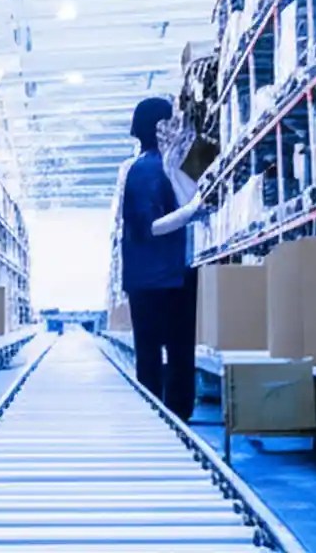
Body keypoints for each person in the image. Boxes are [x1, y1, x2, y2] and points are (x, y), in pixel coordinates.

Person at [118, 97, 202, 420]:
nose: (177, 126)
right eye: (172, 121)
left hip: (167, 275)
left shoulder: (173, 162)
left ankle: (169, 418)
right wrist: (193, 211)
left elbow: (205, 176)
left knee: (169, 355)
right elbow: (151, 226)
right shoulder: (145, 170)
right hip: (158, 279)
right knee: (163, 356)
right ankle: (164, 419)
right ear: (158, 127)